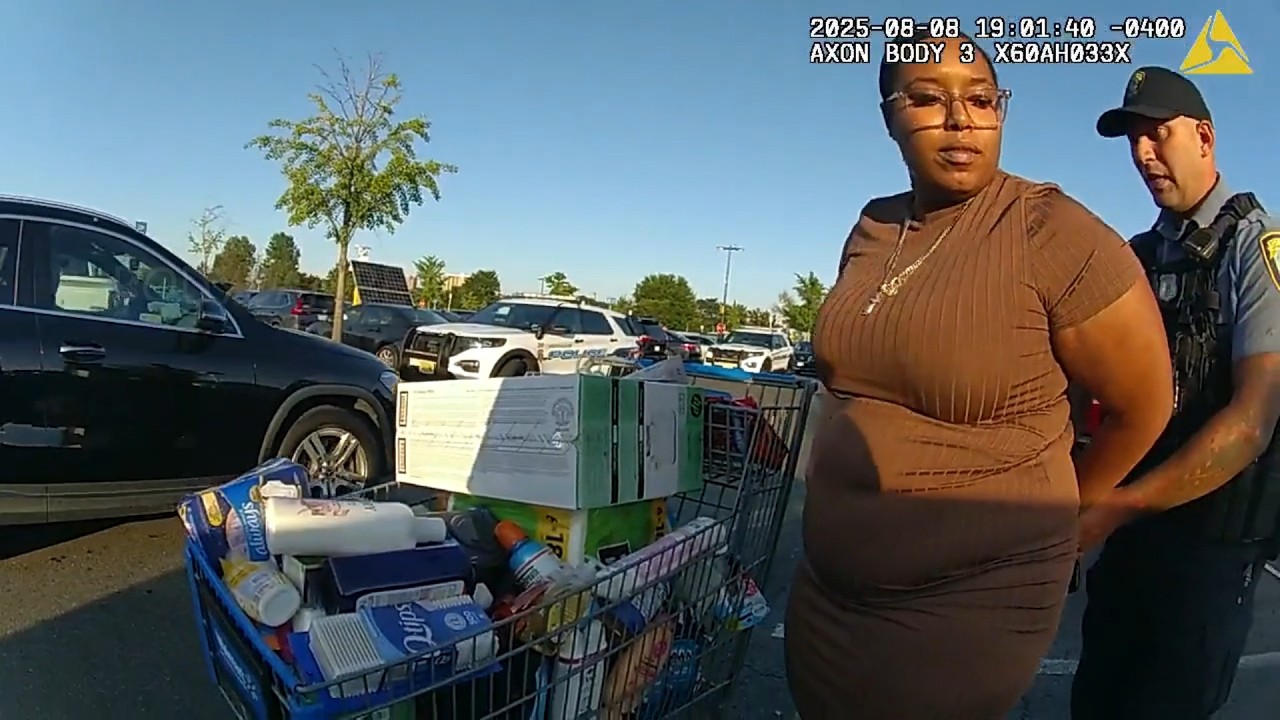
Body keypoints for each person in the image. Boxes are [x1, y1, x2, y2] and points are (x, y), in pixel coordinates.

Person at [783, 34, 1175, 720]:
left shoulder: (1050, 231)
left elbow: (1143, 406)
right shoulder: (872, 226)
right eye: (928, 99)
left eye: (981, 100)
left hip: (972, 594)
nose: (961, 120)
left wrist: (1058, 515)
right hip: (829, 593)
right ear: (889, 116)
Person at [1071, 66, 1280, 720]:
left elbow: (1253, 420)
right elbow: (1083, 386)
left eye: (1158, 135)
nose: (1143, 154)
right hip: (1133, 542)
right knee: (1098, 698)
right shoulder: (1137, 257)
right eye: (1133, 141)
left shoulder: (1256, 246)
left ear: (1205, 138)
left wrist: (1113, 509)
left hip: (1210, 552)